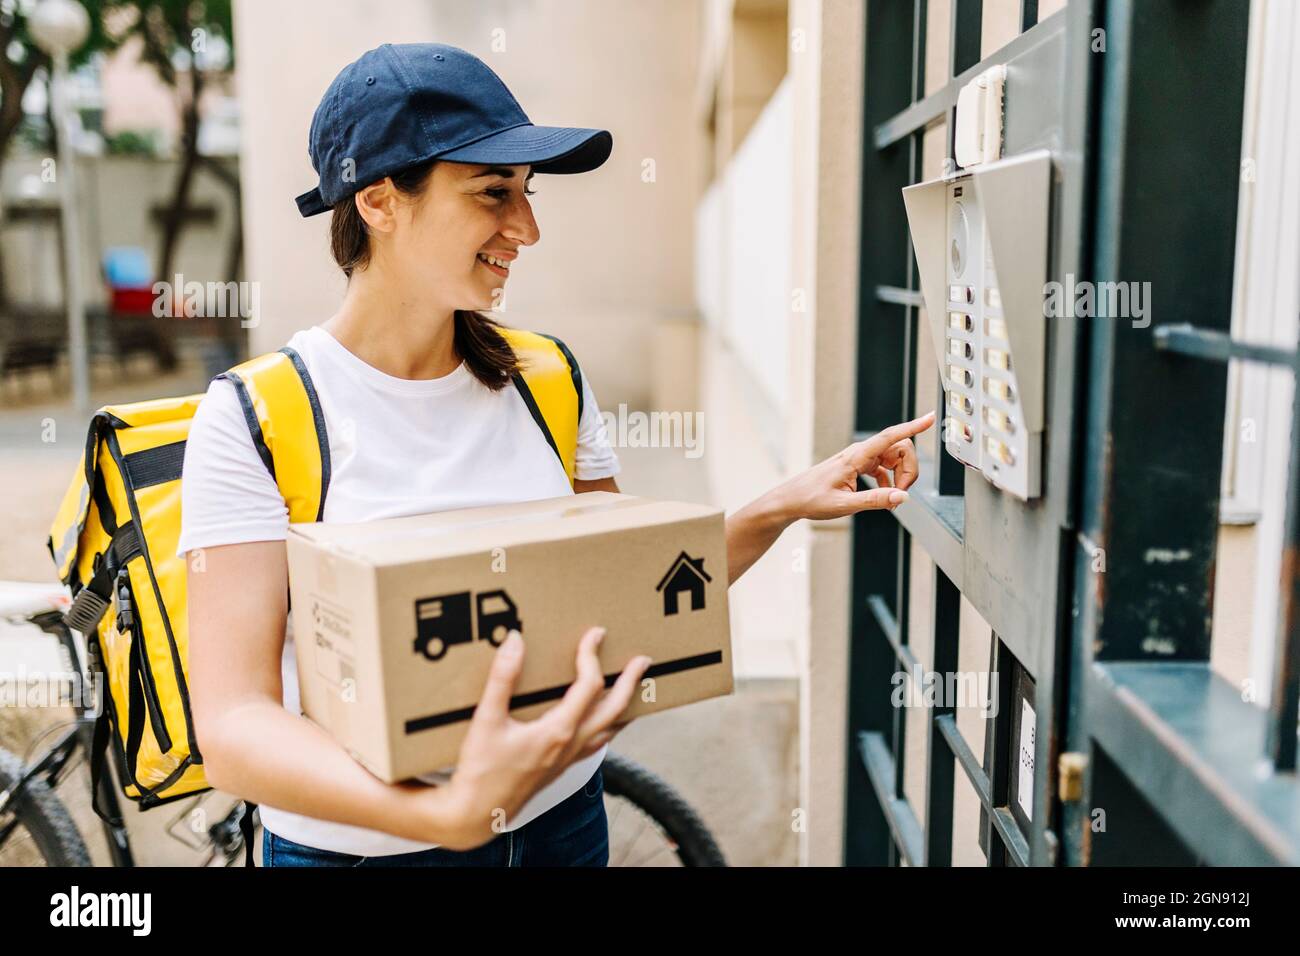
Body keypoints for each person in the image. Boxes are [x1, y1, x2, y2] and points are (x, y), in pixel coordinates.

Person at [179, 42, 935, 867]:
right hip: (369, 853)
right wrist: (443, 816)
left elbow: (632, 590)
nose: (527, 228)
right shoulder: (257, 417)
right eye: (493, 193)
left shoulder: (545, 377)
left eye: (528, 196)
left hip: (562, 828)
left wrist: (783, 503)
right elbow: (233, 726)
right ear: (379, 201)